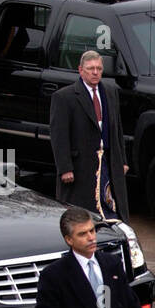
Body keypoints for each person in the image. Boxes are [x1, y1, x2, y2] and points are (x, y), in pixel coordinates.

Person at [49, 50, 130, 221]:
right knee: (83, 214)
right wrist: (65, 168)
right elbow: (59, 135)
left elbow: (117, 129)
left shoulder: (110, 91)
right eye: (90, 68)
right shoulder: (65, 97)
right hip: (81, 166)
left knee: (111, 209)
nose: (95, 72)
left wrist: (122, 160)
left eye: (99, 68)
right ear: (81, 70)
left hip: (108, 162)